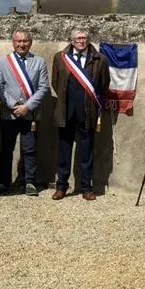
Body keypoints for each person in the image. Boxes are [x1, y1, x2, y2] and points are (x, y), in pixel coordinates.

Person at [50, 28, 109, 201]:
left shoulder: (100, 59)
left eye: (84, 38)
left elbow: (103, 84)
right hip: (65, 111)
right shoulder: (60, 58)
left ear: (88, 40)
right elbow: (56, 82)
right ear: (72, 40)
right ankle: (61, 186)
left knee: (86, 152)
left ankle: (86, 187)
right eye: (78, 38)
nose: (81, 41)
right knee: (63, 151)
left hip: (87, 112)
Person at [0, 30, 48, 196]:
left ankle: (29, 181)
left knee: (29, 149)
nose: (22, 44)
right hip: (9, 113)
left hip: (29, 114)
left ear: (30, 43)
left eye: (25, 41)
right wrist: (14, 105)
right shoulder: (3, 61)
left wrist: (27, 107)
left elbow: (43, 87)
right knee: (6, 148)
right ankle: (4, 182)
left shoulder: (39, 62)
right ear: (13, 42)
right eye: (18, 41)